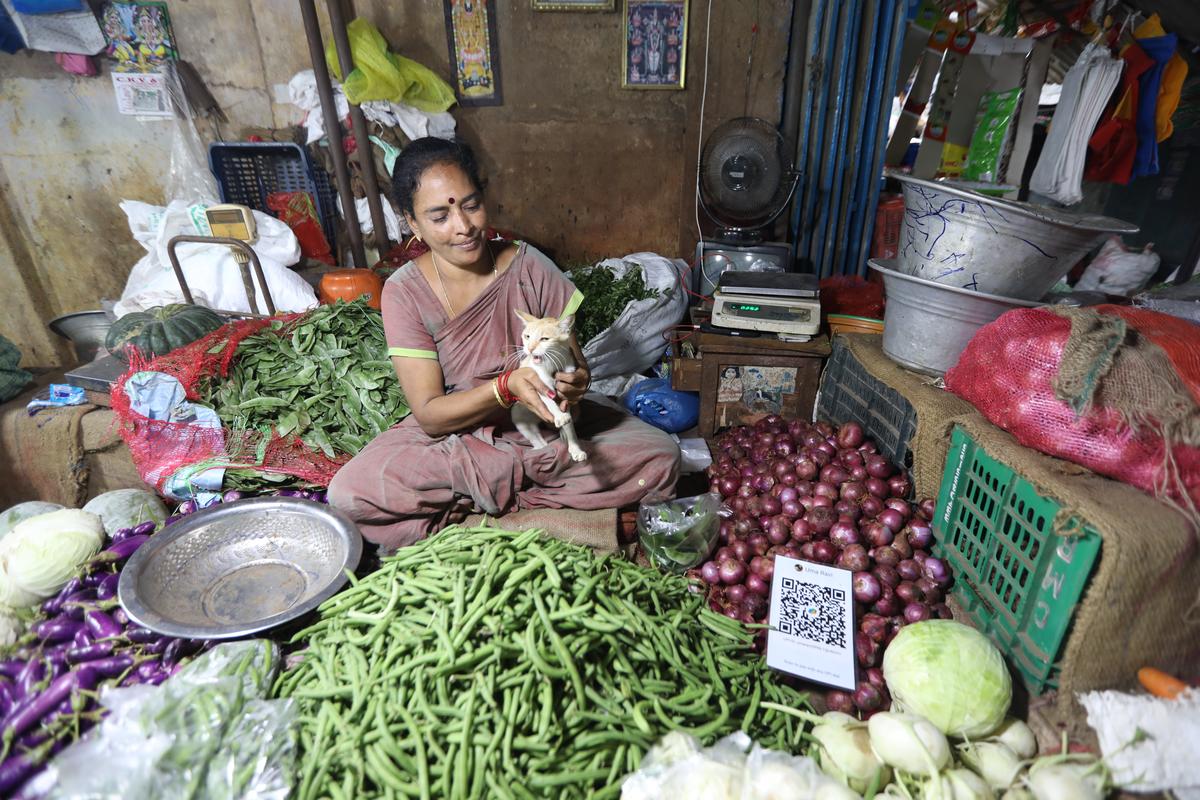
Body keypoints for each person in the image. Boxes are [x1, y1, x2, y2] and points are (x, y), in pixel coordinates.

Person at [328, 138, 680, 550]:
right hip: (457, 440)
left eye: (471, 205)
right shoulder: (404, 292)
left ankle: (478, 520)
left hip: (542, 436)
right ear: (411, 222)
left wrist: (574, 387)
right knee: (351, 494)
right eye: (440, 216)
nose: (464, 226)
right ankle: (542, 518)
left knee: (660, 456)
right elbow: (431, 417)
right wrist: (504, 387)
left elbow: (576, 372)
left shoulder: (530, 267)